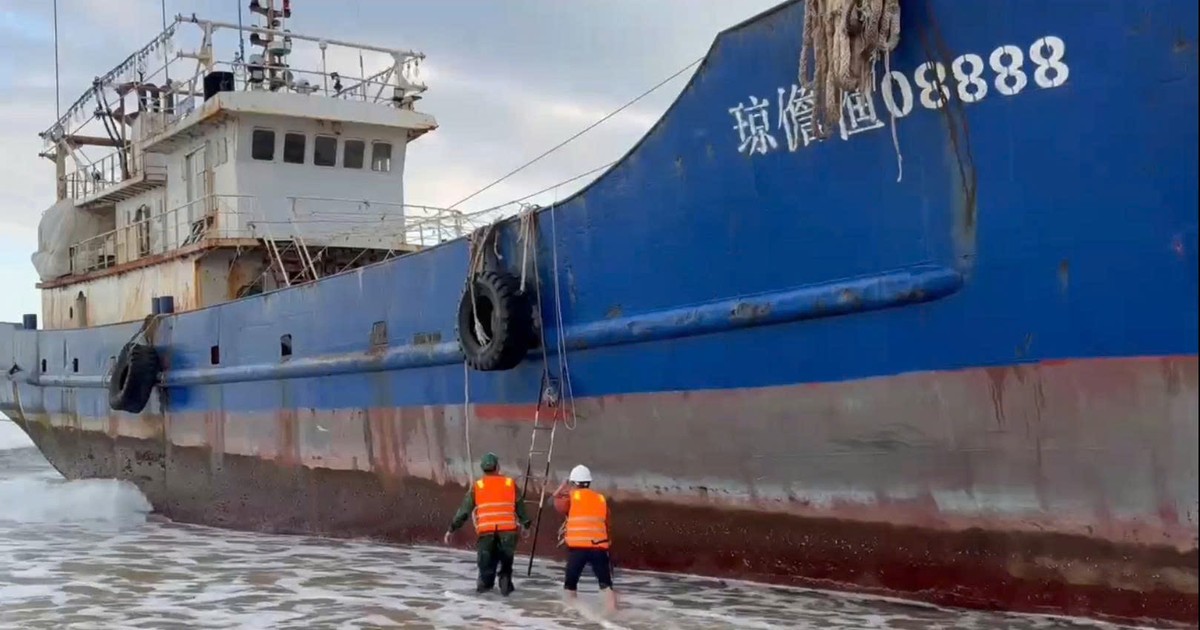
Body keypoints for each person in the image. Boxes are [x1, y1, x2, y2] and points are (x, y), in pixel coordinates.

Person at [444, 452, 532, 595]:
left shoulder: (477, 486)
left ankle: (485, 606)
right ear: (497, 467)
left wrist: (451, 529)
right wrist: (526, 525)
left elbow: (464, 511)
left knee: (485, 571)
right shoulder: (510, 484)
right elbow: (520, 507)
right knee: (506, 569)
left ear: (483, 469)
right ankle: (507, 598)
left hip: (486, 534)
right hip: (508, 534)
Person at [553, 464, 619, 613]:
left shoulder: (570, 497)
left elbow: (557, 503)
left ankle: (571, 613)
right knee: (606, 584)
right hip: (599, 548)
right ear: (588, 482)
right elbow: (607, 523)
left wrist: (562, 487)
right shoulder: (600, 499)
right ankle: (612, 613)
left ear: (573, 483)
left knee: (570, 584)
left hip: (578, 549)